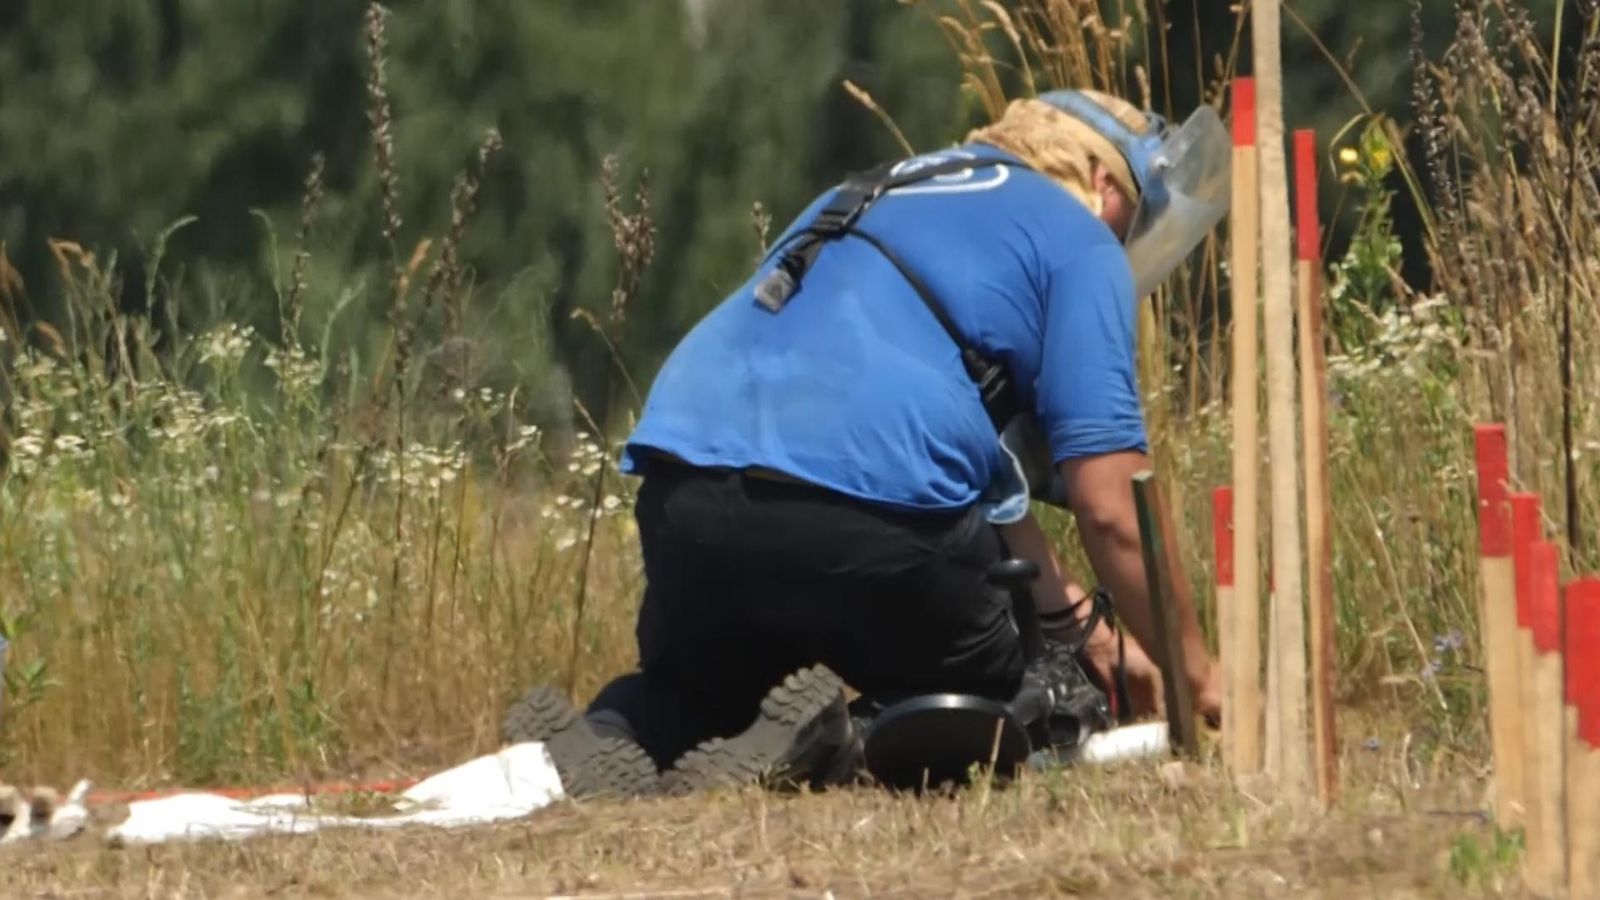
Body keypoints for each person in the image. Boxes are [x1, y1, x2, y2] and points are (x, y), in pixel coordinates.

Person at [503, 88, 1232, 798]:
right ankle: (832, 748)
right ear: (1104, 181)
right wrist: (1200, 680)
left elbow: (983, 490)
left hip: (685, 490)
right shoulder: (1077, 236)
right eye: (1136, 218)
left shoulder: (874, 192)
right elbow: (1109, 504)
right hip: (862, 511)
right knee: (1037, 698)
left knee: (702, 695)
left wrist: (1090, 630)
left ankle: (613, 732)